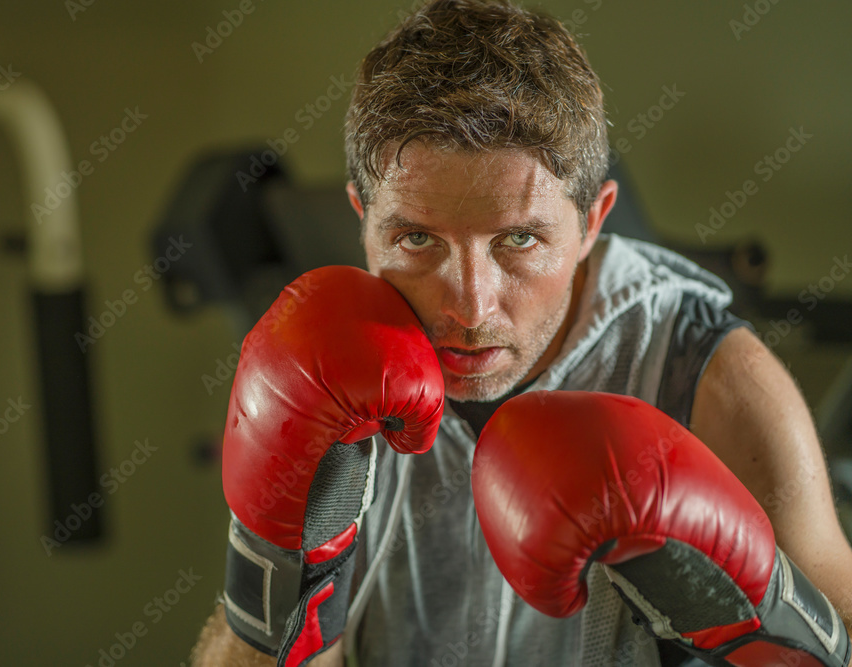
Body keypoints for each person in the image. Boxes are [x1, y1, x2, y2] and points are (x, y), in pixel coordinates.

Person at [190, 1, 852, 665]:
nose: (472, 305)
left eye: (519, 239)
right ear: (363, 216)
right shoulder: (319, 372)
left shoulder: (714, 381)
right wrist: (273, 584)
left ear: (594, 221)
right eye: (417, 238)